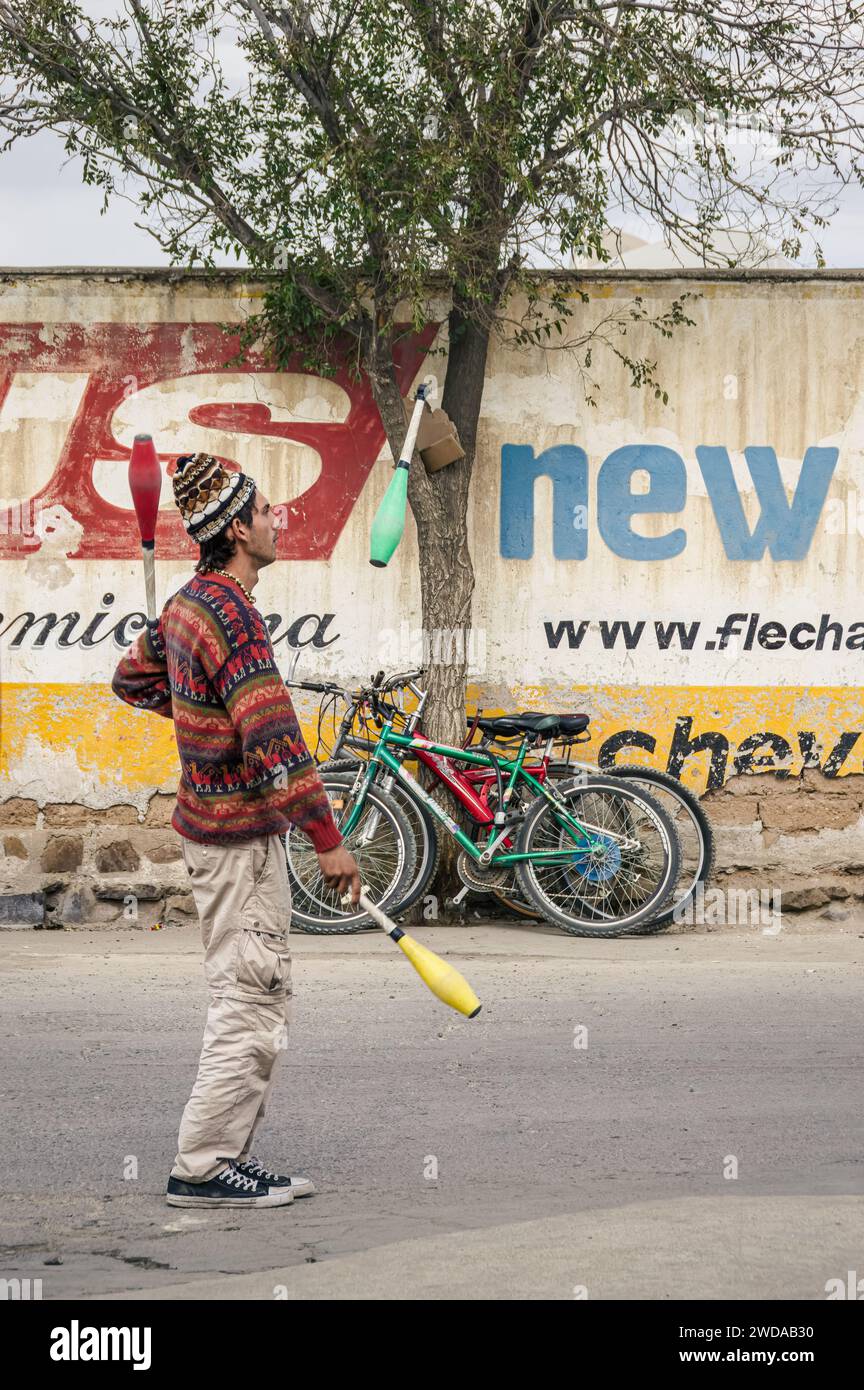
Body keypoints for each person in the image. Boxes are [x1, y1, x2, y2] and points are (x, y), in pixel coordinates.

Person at [111, 452, 360, 1209]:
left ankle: (222, 1156)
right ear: (239, 532)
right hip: (239, 844)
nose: (277, 519)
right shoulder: (231, 615)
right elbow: (277, 743)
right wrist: (329, 841)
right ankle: (205, 1165)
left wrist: (196, 712)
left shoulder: (188, 608)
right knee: (251, 997)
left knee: (247, 989)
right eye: (265, 511)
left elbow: (131, 678)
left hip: (209, 832)